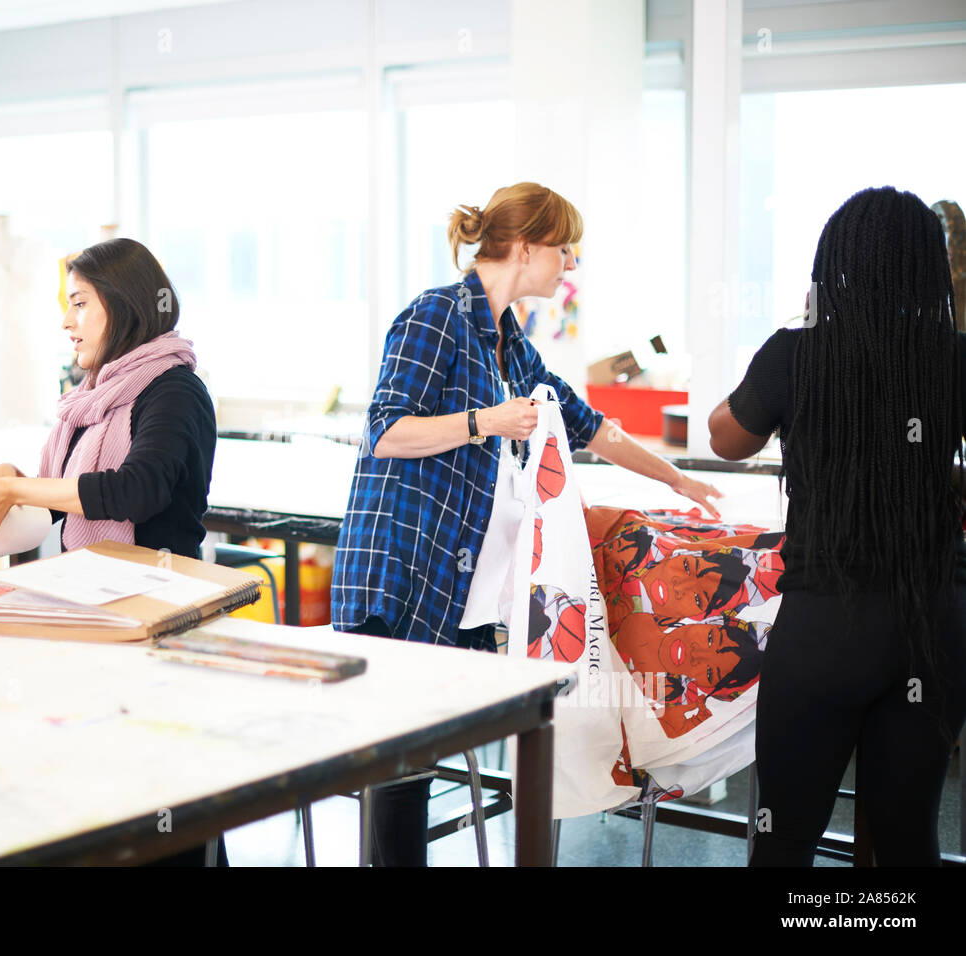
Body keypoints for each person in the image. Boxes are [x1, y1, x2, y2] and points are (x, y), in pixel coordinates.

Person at [332, 181, 724, 866]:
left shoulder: (508, 342)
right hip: (402, 578)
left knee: (414, 767)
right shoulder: (436, 316)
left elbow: (589, 426)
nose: (569, 263)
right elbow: (386, 431)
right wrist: (484, 422)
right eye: (564, 249)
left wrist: (677, 478)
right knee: (400, 781)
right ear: (525, 246)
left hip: (452, 590)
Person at [0, 237, 220, 866]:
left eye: (80, 303)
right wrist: (7, 475)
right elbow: (58, 490)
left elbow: (134, 491)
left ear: (121, 306)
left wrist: (13, 486)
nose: (67, 322)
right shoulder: (92, 399)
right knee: (109, 786)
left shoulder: (173, 390)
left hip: (160, 618)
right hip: (98, 609)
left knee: (165, 798)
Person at [709, 185, 966, 866]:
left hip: (827, 628)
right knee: (910, 841)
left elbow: (725, 440)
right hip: (931, 627)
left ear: (835, 262)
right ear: (929, 267)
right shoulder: (955, 355)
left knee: (785, 835)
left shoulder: (796, 354)